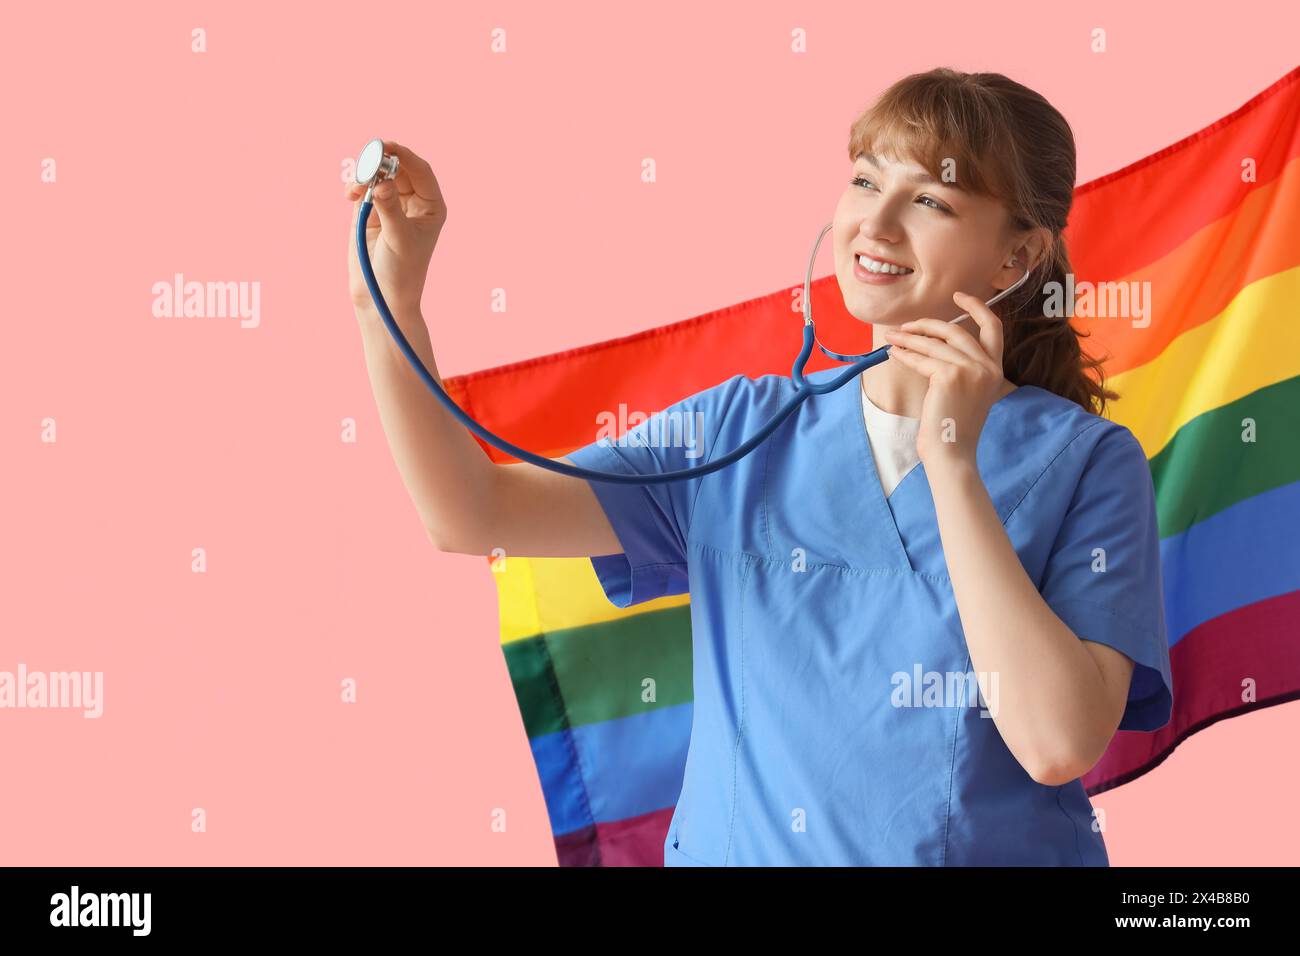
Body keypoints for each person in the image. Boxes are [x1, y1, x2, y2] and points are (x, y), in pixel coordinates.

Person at [344, 67, 1174, 866]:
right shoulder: (739, 429)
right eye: (863, 181)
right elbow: (470, 512)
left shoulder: (1088, 463)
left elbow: (1058, 743)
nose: (877, 224)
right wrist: (388, 302)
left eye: (929, 199)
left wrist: (951, 464)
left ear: (1016, 259)